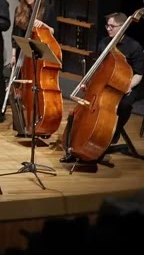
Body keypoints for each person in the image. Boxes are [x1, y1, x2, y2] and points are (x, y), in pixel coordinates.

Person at [61, 12, 144, 163]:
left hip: (127, 86)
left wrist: (128, 85)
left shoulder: (134, 47)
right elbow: (98, 67)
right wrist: (87, 81)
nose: (108, 29)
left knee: (124, 105)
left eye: (112, 26)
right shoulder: (104, 43)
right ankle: (73, 144)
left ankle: (111, 135)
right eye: (107, 26)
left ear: (122, 27)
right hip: (104, 83)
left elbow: (139, 73)